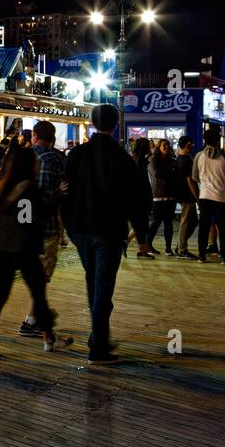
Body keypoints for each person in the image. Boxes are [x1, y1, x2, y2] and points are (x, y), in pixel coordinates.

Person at [62, 104, 147, 364]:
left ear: (92, 122)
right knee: (103, 287)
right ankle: (98, 345)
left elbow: (64, 191)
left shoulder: (76, 154)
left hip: (80, 229)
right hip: (108, 231)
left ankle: (98, 335)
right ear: (116, 123)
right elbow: (135, 200)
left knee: (93, 282)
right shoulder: (121, 158)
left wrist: (69, 226)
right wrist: (142, 237)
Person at [0, 146, 73, 356]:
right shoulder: (28, 188)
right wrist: (56, 196)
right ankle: (49, 339)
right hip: (24, 250)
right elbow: (28, 218)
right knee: (39, 295)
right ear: (30, 165)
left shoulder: (4, 186)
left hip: (2, 248)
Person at [17, 120, 67, 336]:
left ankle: (33, 318)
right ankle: (32, 321)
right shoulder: (56, 159)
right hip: (46, 228)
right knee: (41, 277)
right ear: (53, 138)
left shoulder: (22, 157)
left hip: (22, 225)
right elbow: (55, 196)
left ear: (34, 136)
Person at [192, 128, 225, 265]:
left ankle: (201, 255)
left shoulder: (199, 156)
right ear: (218, 140)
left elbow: (194, 177)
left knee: (204, 227)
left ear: (204, 139)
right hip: (222, 197)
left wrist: (205, 185)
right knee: (223, 228)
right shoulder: (224, 156)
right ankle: (224, 256)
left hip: (204, 196)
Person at [148, 138, 178, 256]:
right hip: (159, 195)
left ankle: (168, 248)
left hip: (171, 195)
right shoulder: (153, 159)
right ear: (159, 147)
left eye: (168, 145)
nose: (167, 147)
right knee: (156, 222)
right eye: (164, 145)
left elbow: (175, 174)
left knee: (168, 223)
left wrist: (171, 172)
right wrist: (171, 172)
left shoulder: (172, 160)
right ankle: (148, 244)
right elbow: (158, 174)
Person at [127, 137, 156, 258]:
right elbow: (141, 183)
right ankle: (142, 249)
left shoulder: (136, 159)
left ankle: (142, 248)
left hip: (136, 198)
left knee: (140, 225)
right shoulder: (139, 161)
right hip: (139, 199)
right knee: (141, 225)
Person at [174, 136, 198, 258]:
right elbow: (190, 181)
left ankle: (181, 245)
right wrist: (197, 196)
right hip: (187, 195)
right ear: (188, 144)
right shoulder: (187, 161)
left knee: (193, 221)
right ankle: (182, 249)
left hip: (180, 194)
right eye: (192, 144)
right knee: (186, 221)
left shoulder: (178, 159)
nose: (193, 146)